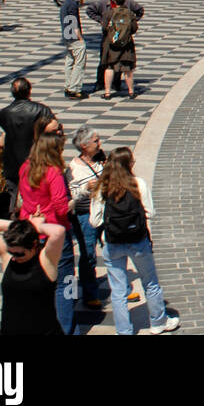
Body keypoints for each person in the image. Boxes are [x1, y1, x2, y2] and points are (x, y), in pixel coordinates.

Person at [89, 147, 181, 335]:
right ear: (128, 164)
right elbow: (150, 212)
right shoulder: (138, 183)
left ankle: (124, 330)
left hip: (113, 243)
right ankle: (158, 322)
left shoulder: (102, 187)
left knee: (118, 290)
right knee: (150, 282)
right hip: (138, 241)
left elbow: (94, 220)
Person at [19, 133, 77, 334]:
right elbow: (61, 208)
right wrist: (74, 200)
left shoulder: (24, 168)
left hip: (33, 232)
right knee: (67, 283)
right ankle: (67, 327)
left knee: (41, 282)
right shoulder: (53, 172)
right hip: (56, 233)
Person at [0, 215, 66, 335]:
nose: (15, 257)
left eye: (20, 254)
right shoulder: (8, 257)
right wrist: (21, 226)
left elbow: (59, 232)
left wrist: (36, 227)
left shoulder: (46, 260)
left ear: (34, 244)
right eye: (11, 252)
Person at [0, 78, 54, 211]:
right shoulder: (41, 110)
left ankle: (13, 219)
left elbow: (4, 128)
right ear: (29, 91)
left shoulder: (5, 113)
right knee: (35, 195)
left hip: (11, 160)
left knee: (13, 194)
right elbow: (53, 127)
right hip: (35, 158)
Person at [67, 127, 106, 310]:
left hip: (104, 209)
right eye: (96, 141)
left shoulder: (101, 160)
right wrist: (86, 188)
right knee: (88, 253)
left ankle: (118, 286)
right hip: (85, 214)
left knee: (112, 249)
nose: (100, 144)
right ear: (84, 146)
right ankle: (90, 294)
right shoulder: (74, 168)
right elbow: (71, 195)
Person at [102, 0, 139, 99]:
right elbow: (134, 28)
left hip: (112, 44)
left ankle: (108, 92)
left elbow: (104, 28)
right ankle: (131, 91)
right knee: (127, 69)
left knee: (109, 67)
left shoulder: (109, 13)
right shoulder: (130, 13)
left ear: (114, 1)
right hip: (126, 45)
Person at [61, 0, 88, 99]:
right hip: (73, 36)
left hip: (66, 36)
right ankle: (75, 88)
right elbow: (73, 21)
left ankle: (68, 85)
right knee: (79, 62)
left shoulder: (66, 3)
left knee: (70, 61)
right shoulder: (72, 4)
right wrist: (80, 38)